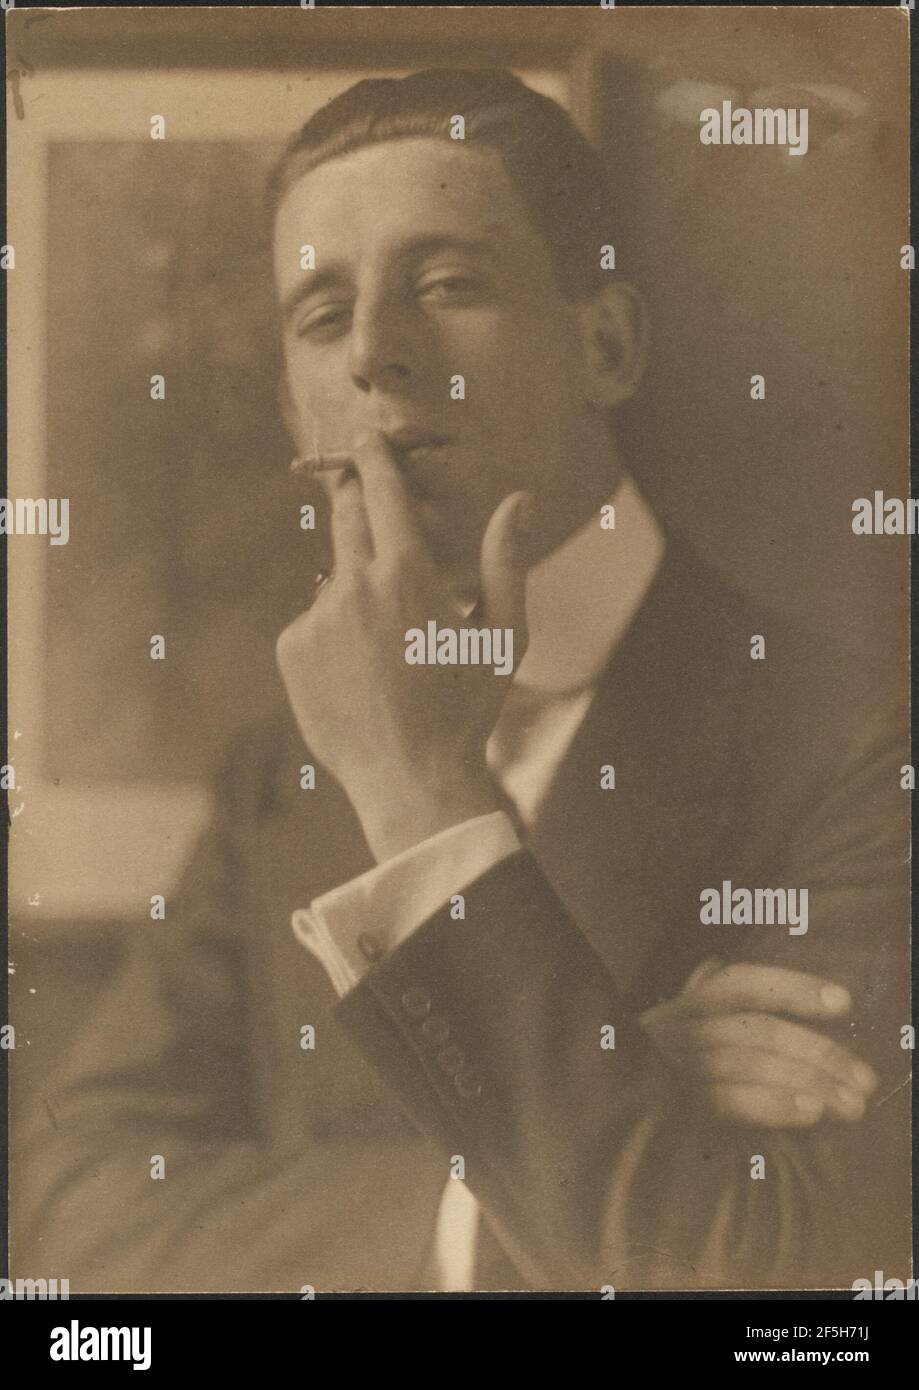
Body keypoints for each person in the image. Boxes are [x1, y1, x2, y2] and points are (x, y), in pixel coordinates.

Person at [12, 68, 910, 1293]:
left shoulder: (859, 744)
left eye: (448, 284)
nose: (380, 355)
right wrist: (484, 1202)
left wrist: (416, 786)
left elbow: (768, 1277)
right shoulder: (278, 770)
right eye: (324, 316)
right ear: (295, 409)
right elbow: (70, 1212)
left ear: (606, 343)